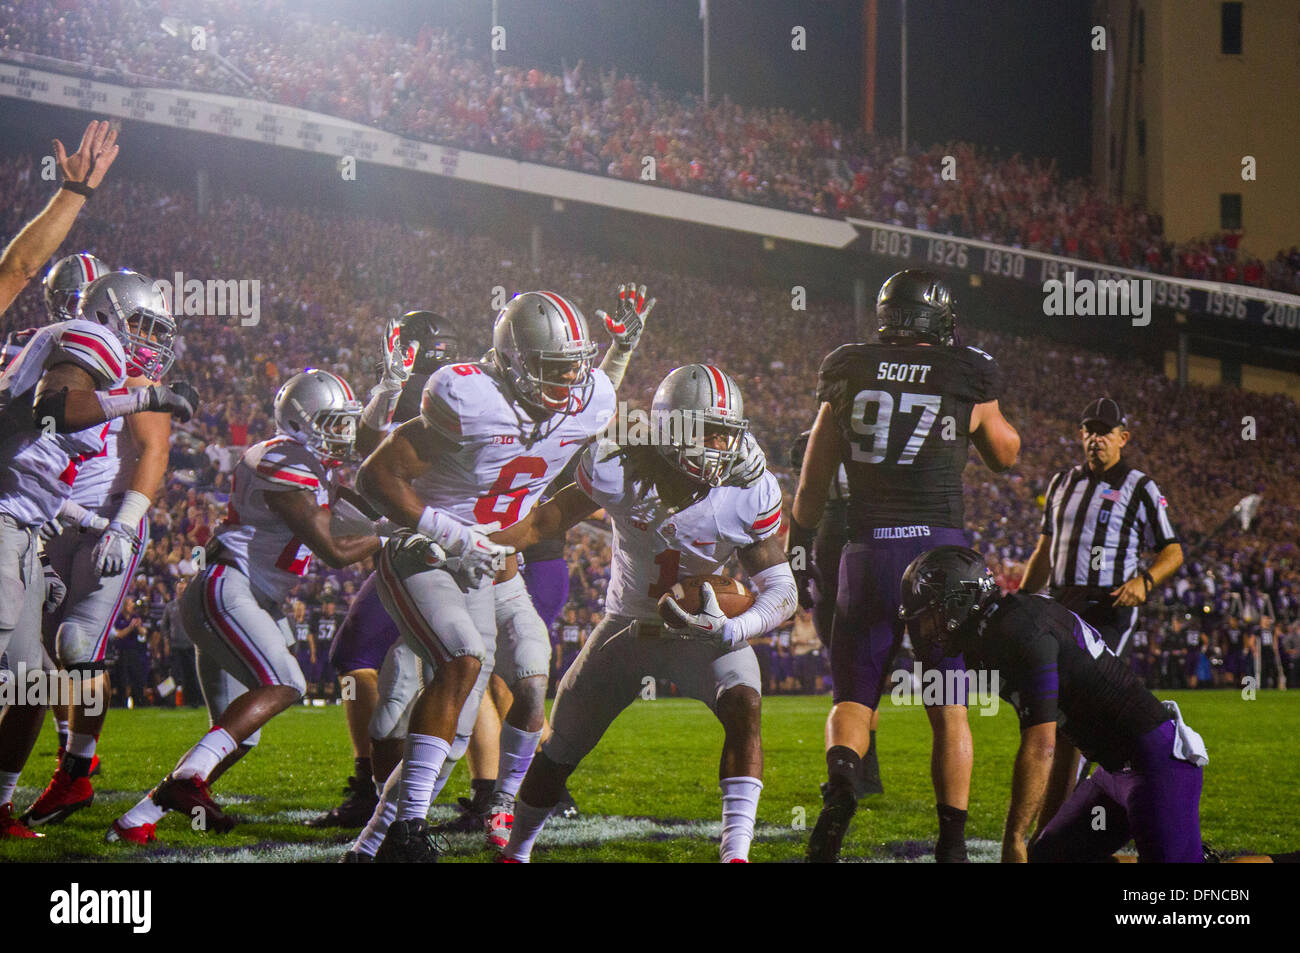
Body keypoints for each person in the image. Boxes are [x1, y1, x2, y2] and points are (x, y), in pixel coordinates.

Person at [348, 288, 639, 862]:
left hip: (496, 560)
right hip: (428, 552)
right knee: (461, 675)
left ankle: (497, 807)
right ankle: (403, 831)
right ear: (512, 361)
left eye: (574, 369)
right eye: (551, 370)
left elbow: (588, 409)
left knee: (532, 677)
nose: (568, 385)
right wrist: (457, 536)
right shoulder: (467, 395)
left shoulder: (590, 397)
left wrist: (621, 351)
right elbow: (375, 478)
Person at [491, 364, 794, 863]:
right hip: (625, 629)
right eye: (709, 433)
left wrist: (730, 627)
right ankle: (516, 851)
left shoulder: (750, 486)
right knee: (563, 745)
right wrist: (479, 541)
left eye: (729, 434)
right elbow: (547, 519)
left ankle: (735, 855)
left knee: (745, 704)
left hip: (699, 630)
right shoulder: (620, 465)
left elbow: (782, 589)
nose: (722, 447)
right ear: (672, 428)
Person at [789, 269, 1019, 862]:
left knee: (853, 699)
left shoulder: (849, 367)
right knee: (948, 708)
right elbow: (1003, 453)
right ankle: (953, 844)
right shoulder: (965, 369)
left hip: (867, 551)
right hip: (940, 558)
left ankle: (842, 785)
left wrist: (799, 543)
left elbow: (814, 479)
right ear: (940, 318)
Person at [107, 369, 379, 843]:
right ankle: (185, 784)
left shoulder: (305, 464)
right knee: (286, 682)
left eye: (346, 422)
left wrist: (393, 516)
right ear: (301, 422)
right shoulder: (281, 459)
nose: (344, 433)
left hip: (241, 597)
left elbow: (345, 503)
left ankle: (138, 819)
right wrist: (390, 538)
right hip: (228, 590)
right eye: (333, 422)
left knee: (240, 733)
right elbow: (334, 551)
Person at [899, 545, 1209, 863]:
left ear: (959, 601)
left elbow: (1040, 746)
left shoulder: (1018, 630)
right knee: (1050, 860)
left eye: (931, 616)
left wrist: (1015, 837)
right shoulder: (998, 629)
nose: (924, 630)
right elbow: (1060, 739)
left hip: (1155, 763)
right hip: (1112, 771)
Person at [23, 271, 182, 827]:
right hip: (55, 519)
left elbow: (153, 453)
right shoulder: (63, 363)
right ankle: (70, 759)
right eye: (139, 323)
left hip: (108, 521)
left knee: (77, 641)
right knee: (43, 652)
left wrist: (124, 524)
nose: (148, 337)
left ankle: (77, 771)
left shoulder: (134, 375)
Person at [1018, 397, 1183, 821]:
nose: (1096, 439)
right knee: (1052, 715)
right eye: (1090, 430)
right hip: (1060, 603)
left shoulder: (1141, 486)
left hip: (1108, 607)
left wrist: (1144, 581)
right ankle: (1063, 814)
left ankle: (1058, 820)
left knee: (1075, 713)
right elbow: (1044, 549)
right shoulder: (1060, 483)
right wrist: (1020, 597)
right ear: (1081, 436)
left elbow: (1172, 551)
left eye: (1105, 432)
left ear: (1123, 438)